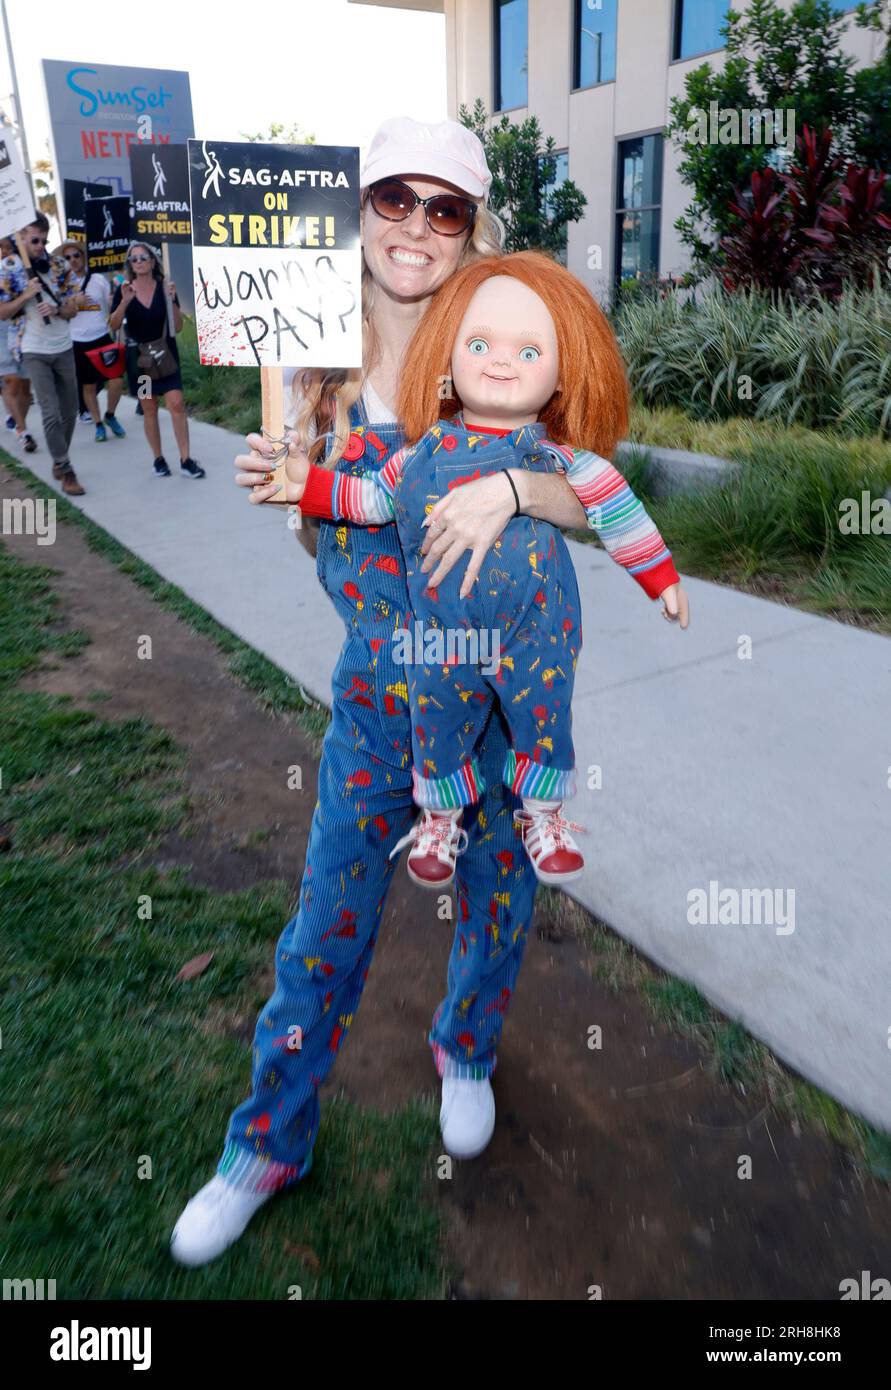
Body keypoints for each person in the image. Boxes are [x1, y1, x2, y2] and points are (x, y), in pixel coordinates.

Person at [171, 116, 602, 1268]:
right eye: (393, 199)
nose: (415, 225)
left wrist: (515, 487)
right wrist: (286, 465)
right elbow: (312, 532)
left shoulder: (504, 342)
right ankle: (267, 1141)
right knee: (325, 930)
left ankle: (465, 1045)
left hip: (505, 703)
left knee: (499, 898)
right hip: (378, 705)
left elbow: (595, 507)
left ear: (473, 229)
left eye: (444, 206)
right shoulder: (306, 360)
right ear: (356, 212)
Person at [289, 252, 687, 889]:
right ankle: (441, 819)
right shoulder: (422, 451)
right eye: (481, 344)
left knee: (545, 713)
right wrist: (304, 486)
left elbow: (613, 502)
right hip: (443, 634)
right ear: (448, 355)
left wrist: (659, 577)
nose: (502, 361)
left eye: (529, 351)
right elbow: (365, 501)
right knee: (436, 714)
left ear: (562, 374)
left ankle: (545, 815)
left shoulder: (552, 456)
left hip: (538, 632)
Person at [0, 214, 84, 495]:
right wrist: (26, 295)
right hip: (32, 348)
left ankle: (61, 460)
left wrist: (58, 309)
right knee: (50, 412)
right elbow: (2, 312)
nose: (40, 246)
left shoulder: (59, 265)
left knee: (70, 410)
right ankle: (65, 466)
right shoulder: (9, 268)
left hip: (62, 345)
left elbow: (74, 308)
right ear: (21, 237)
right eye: (34, 240)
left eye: (44, 241)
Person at [107, 241, 204, 478]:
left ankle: (186, 459)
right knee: (149, 407)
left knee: (177, 404)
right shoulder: (125, 290)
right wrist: (125, 301)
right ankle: (158, 459)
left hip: (167, 356)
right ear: (130, 264)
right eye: (134, 258)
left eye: (143, 257)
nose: (138, 262)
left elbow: (179, 327)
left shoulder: (165, 287)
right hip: (142, 363)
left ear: (152, 261)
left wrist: (172, 300)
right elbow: (113, 325)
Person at [55, 239, 126, 444]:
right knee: (88, 386)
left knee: (117, 380)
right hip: (78, 341)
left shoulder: (98, 279)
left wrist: (118, 297)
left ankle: (110, 415)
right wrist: (73, 302)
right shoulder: (62, 284)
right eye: (67, 257)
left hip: (101, 336)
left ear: (83, 257)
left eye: (76, 255)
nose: (73, 260)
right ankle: (97, 424)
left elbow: (110, 303)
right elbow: (60, 312)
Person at [0, 237, 36, 453]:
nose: (4, 251)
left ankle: (17, 419)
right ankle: (24, 432)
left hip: (21, 328)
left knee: (24, 386)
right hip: (1, 331)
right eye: (0, 247)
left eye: (7, 246)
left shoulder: (20, 269)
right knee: (11, 382)